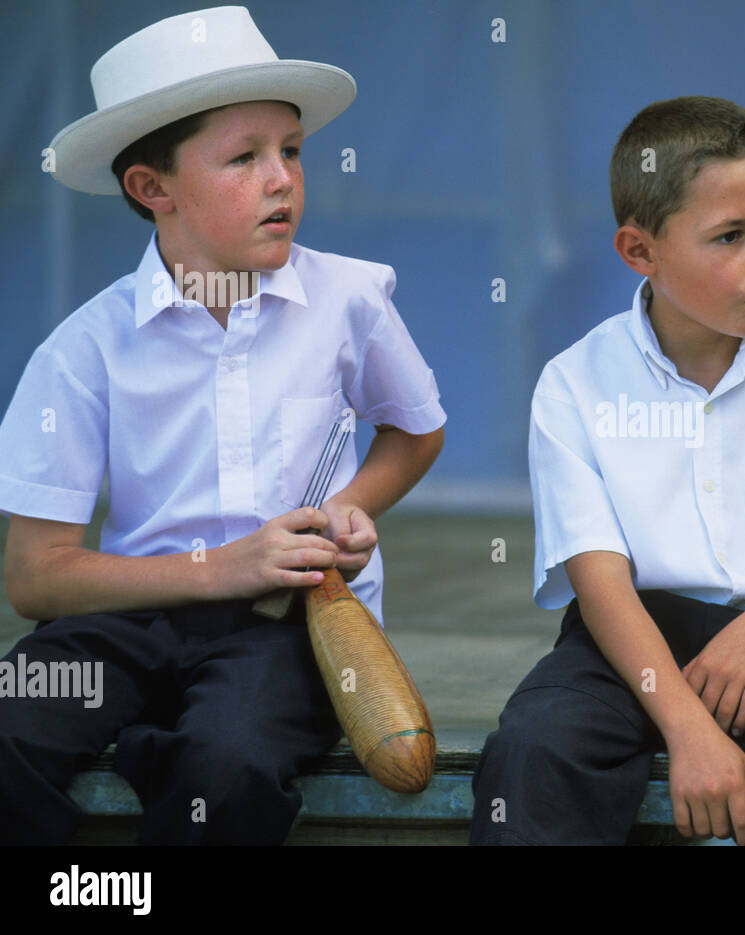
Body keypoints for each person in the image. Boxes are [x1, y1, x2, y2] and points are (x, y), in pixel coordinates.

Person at [0, 7, 446, 844]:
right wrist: (222, 567)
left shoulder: (349, 301)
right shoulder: (83, 350)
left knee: (227, 761)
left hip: (289, 628)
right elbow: (36, 578)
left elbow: (414, 431)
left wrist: (353, 503)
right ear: (152, 188)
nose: (283, 178)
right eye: (245, 157)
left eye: (292, 150)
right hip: (122, 623)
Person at [471, 96, 745, 845]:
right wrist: (689, 729)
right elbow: (603, 584)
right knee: (530, 757)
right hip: (625, 643)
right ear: (639, 251)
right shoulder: (576, 383)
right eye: (730, 236)